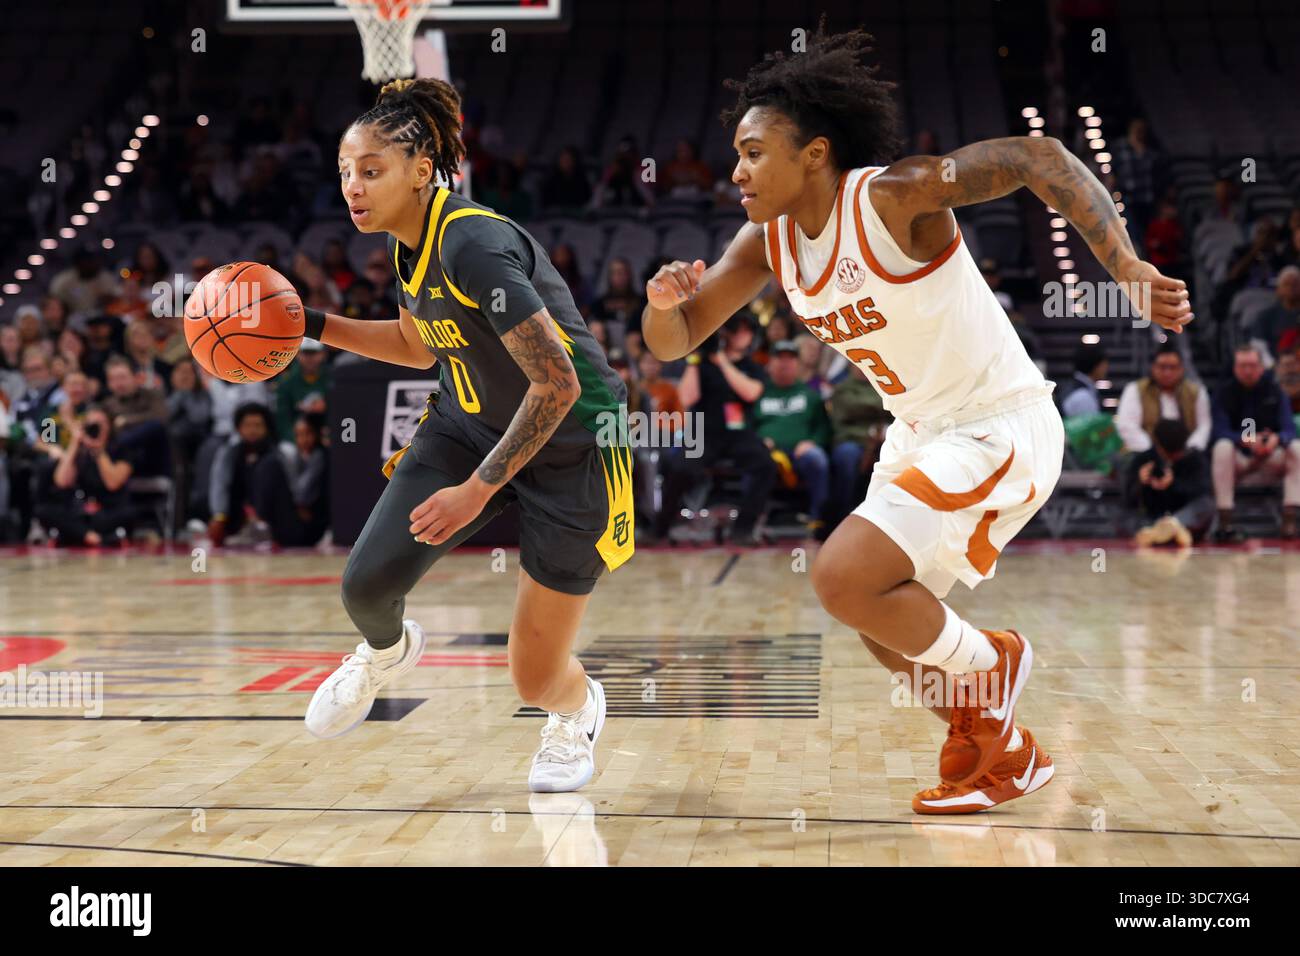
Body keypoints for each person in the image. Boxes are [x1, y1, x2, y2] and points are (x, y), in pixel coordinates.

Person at [641, 23, 1191, 815]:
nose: (738, 170)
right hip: (921, 433)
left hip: (999, 422)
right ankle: (1002, 751)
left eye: (755, 151)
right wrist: (665, 306)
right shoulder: (767, 243)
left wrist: (1128, 267)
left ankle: (994, 663)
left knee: (840, 576)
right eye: (737, 152)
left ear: (816, 154)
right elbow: (678, 338)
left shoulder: (893, 199)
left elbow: (1040, 159)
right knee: (880, 614)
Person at [305, 77, 633, 794]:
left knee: (534, 674)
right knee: (365, 586)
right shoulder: (406, 242)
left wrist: (476, 491)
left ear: (422, 172)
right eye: (345, 172)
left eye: (371, 170)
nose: (353, 187)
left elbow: (559, 384)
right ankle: (384, 654)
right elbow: (422, 346)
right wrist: (312, 324)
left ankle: (575, 712)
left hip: (573, 442)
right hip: (466, 420)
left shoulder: (473, 243)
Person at [651, 312, 775, 545]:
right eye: (737, 330)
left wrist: (723, 362)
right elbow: (687, 397)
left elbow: (751, 392)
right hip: (705, 432)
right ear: (726, 333)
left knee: (766, 466)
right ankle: (661, 528)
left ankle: (743, 529)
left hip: (739, 434)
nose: (741, 335)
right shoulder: (703, 364)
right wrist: (696, 360)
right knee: (678, 468)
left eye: (747, 331)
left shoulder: (752, 367)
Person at [1209, 345, 1299, 541]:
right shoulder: (1224, 393)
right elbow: (1219, 431)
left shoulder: (1276, 391)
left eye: (1252, 365)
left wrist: (1277, 439)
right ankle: (1225, 520)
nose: (1247, 370)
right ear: (1235, 368)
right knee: (1222, 447)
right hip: (1240, 459)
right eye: (1242, 365)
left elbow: (1289, 429)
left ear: (1261, 367)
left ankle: (1290, 518)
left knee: (1296, 448)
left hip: (1270, 457)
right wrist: (1245, 440)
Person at [751, 339, 833, 535]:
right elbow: (746, 426)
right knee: (754, 458)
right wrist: (759, 441)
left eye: (790, 359)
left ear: (797, 364)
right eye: (779, 359)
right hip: (769, 452)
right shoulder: (758, 393)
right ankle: (753, 518)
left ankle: (818, 519)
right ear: (770, 363)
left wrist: (812, 442)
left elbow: (824, 427)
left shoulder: (810, 394)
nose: (784, 363)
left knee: (817, 459)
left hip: (801, 452)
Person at [35, 405, 134, 547]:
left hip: (108, 510)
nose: (95, 428)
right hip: (79, 512)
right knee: (45, 510)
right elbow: (62, 482)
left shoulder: (120, 449)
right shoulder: (50, 418)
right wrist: (75, 443)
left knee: (129, 512)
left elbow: (112, 483)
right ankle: (91, 536)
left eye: (100, 424)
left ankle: (80, 535)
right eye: (91, 424)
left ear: (110, 426)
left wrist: (99, 452)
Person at [1129, 418, 1213, 547]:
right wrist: (1140, 482)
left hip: (1184, 516)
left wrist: (1174, 484)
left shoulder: (1195, 459)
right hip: (1153, 517)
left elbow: (1201, 491)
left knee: (1205, 505)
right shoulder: (1144, 460)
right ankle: (1166, 532)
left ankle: (1170, 528)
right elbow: (1128, 498)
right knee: (1127, 517)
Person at [1060, 342, 1107, 419]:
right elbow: (1091, 429)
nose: (1106, 368)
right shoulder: (1083, 397)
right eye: (1104, 364)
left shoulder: (1075, 390)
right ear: (1096, 366)